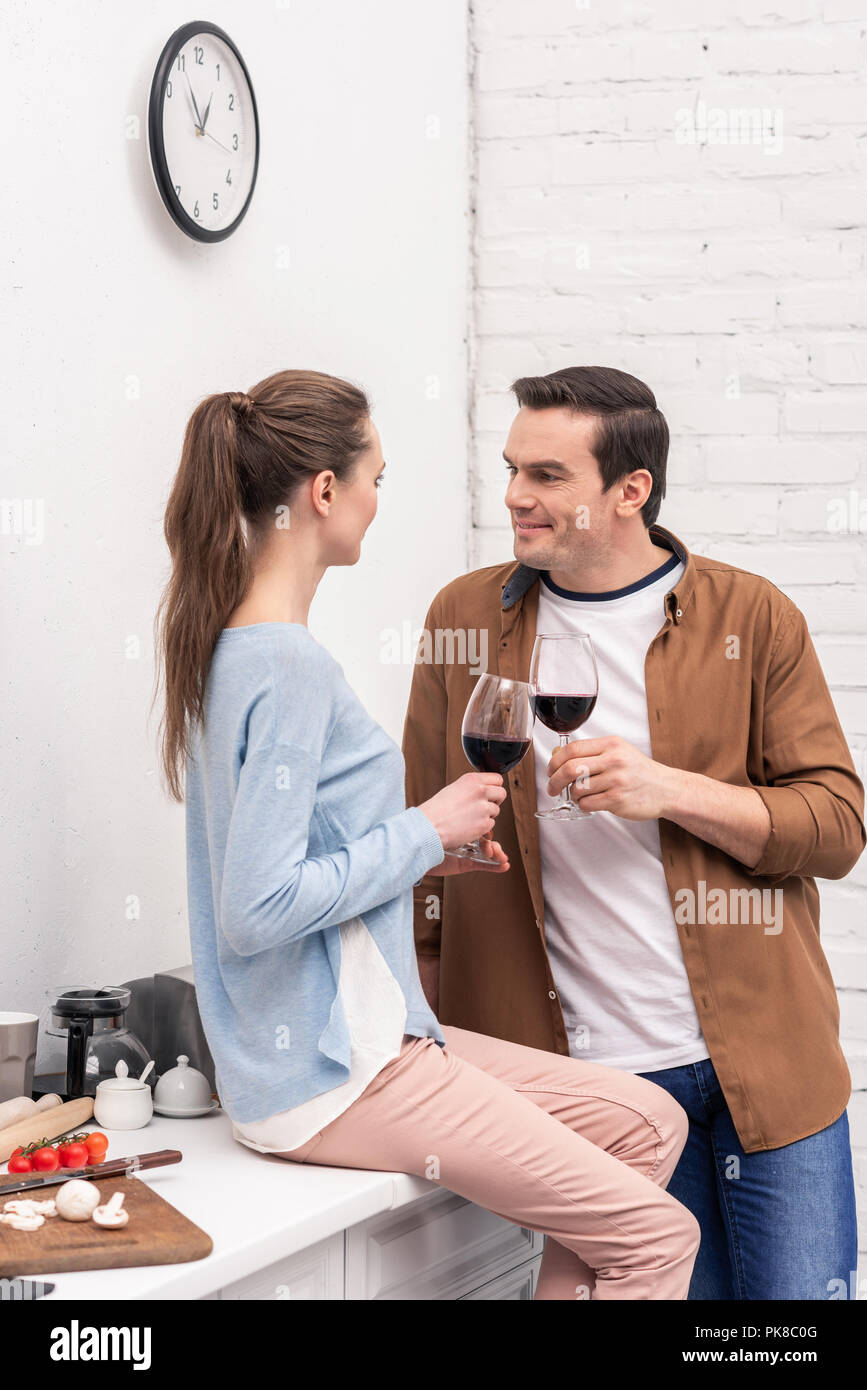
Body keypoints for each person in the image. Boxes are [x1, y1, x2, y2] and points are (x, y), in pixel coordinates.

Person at [153, 367, 700, 1300]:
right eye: (375, 477)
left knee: (644, 1123)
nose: (376, 501)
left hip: (358, 1044)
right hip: (335, 1069)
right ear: (324, 493)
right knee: (657, 1238)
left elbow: (294, 858)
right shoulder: (283, 663)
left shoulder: (234, 648)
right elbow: (255, 907)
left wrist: (422, 844)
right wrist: (420, 827)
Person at [402, 364, 865, 1301]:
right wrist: (418, 1036)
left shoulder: (751, 615)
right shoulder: (462, 618)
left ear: (629, 490)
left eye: (545, 476)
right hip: (588, 1093)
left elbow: (836, 826)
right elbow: (416, 853)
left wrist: (673, 790)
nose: (514, 497)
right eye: (510, 469)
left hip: (764, 1068)